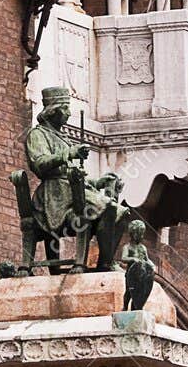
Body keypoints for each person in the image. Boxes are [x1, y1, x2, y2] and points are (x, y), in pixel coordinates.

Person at [24, 86, 126, 268]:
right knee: (109, 207)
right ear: (53, 111)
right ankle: (106, 264)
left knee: (120, 212)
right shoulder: (37, 135)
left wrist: (98, 182)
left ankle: (105, 263)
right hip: (54, 196)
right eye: (65, 108)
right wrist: (68, 154)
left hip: (73, 191)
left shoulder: (62, 137)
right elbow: (39, 164)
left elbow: (73, 174)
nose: (68, 113)